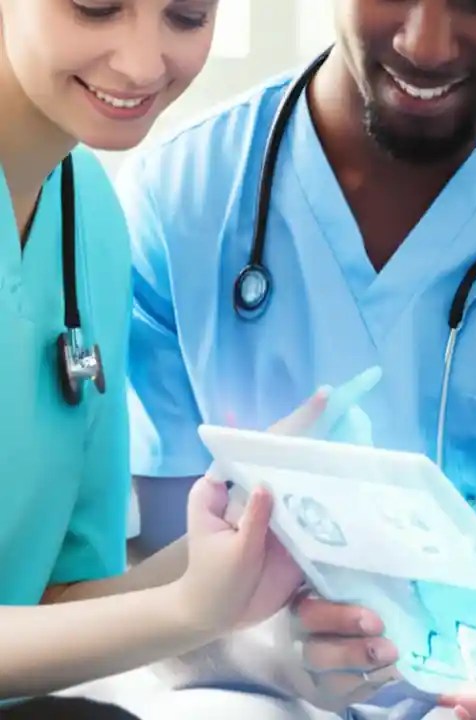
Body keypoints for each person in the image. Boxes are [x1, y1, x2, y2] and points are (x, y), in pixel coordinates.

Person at [113, 0, 476, 717]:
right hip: (247, 693)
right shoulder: (179, 198)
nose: (427, 44)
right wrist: (274, 656)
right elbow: (152, 590)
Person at [0, 0, 330, 710]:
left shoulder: (90, 216)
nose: (143, 63)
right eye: (95, 8)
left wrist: (242, 537)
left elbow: (56, 600)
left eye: (185, 16)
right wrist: (187, 613)